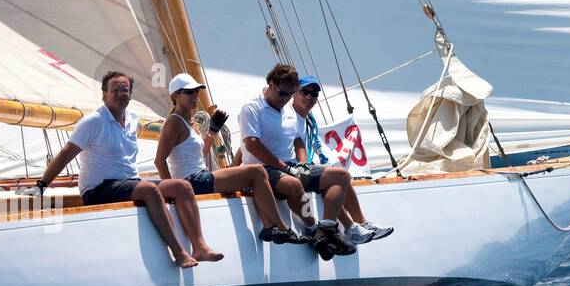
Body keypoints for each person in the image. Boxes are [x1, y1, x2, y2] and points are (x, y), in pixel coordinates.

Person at [32, 70, 222, 268]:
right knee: (149, 190)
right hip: (98, 189)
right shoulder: (93, 121)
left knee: (182, 186)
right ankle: (179, 252)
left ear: (131, 95)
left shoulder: (132, 119)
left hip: (129, 183)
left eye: (125, 90)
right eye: (115, 90)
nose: (120, 94)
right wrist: (41, 185)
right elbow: (66, 153)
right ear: (104, 95)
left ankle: (199, 247)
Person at [155, 73, 309, 246]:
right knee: (257, 171)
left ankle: (269, 226)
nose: (195, 96)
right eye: (189, 92)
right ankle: (281, 227)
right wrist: (171, 191)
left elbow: (200, 155)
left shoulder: (191, 123)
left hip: (200, 176)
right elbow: (159, 161)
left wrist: (212, 133)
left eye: (197, 91)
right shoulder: (174, 122)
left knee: (254, 176)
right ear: (175, 96)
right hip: (190, 182)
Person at [237, 63, 355, 259]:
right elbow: (250, 144)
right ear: (271, 84)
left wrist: (302, 164)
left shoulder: (289, 110)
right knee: (293, 185)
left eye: (290, 95)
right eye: (283, 93)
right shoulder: (252, 108)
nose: (286, 99)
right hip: (264, 169)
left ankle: (326, 229)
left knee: (341, 176)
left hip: (290, 165)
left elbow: (298, 139)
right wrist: (284, 167)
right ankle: (312, 226)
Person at [290, 76, 392, 245]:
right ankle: (338, 227)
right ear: (294, 93)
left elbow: (312, 142)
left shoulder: (307, 119)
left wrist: (318, 161)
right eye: (305, 92)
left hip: (303, 167)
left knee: (337, 175)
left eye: (314, 94)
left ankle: (361, 224)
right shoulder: (289, 118)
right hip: (293, 170)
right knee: (341, 176)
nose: (309, 97)